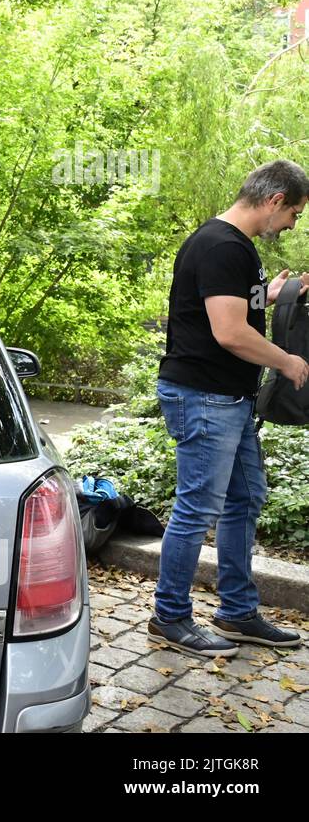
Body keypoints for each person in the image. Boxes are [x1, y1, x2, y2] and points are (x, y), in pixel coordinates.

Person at [150, 159, 309, 658]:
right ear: (276, 200)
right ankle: (170, 617)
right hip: (204, 398)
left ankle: (237, 611)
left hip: (228, 400)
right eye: (295, 215)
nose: (291, 226)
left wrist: (278, 294)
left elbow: (237, 306)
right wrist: (287, 361)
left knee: (245, 499)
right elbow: (230, 331)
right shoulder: (221, 246)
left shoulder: (236, 249)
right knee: (197, 509)